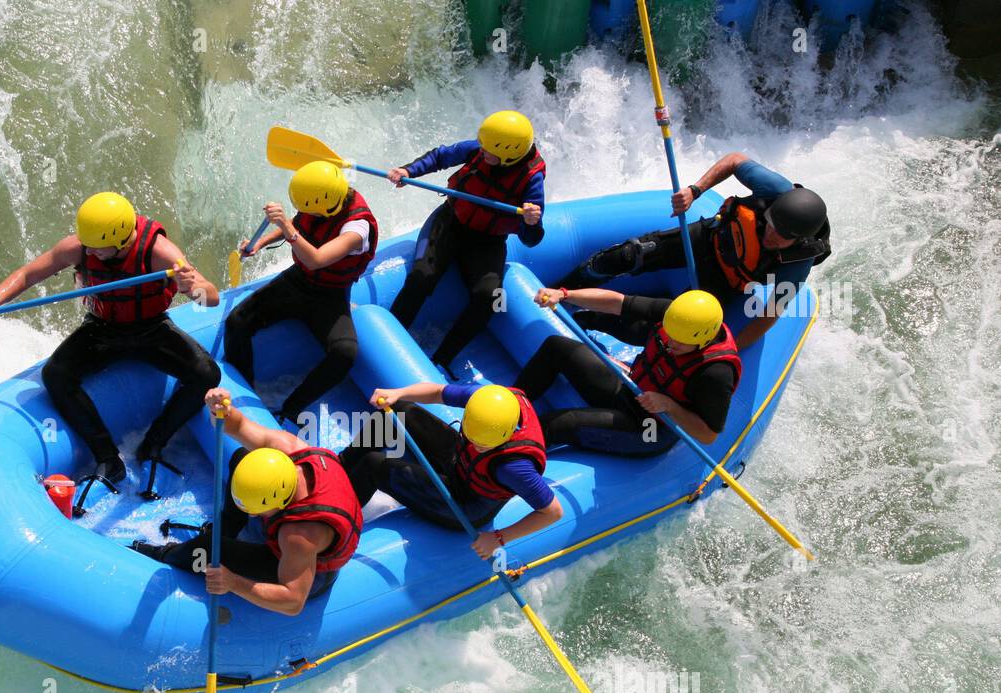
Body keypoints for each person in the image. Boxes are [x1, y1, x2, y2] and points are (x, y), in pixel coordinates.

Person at [0, 192, 220, 484]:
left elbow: (209, 297)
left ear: (122, 238)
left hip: (151, 329)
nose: (91, 252)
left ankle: (154, 443)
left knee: (207, 374)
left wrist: (192, 288)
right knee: (56, 375)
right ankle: (107, 457)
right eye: (89, 246)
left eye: (100, 248)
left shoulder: (161, 253)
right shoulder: (80, 246)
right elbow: (27, 275)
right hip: (102, 329)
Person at [130, 387, 363, 616]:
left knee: (206, 548)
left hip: (310, 574)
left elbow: (293, 602)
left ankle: (163, 554)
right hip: (312, 519)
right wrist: (223, 410)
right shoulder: (287, 448)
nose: (254, 516)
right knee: (242, 457)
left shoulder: (297, 537)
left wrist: (234, 583)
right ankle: (228, 528)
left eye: (259, 511)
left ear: (282, 502)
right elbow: (239, 426)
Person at [560, 152, 830, 349]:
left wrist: (731, 348)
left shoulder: (797, 263)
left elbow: (770, 313)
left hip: (723, 283)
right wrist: (695, 190)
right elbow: (735, 160)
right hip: (708, 237)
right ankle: (562, 293)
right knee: (631, 253)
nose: (771, 235)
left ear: (797, 240)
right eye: (770, 225)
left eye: (781, 237)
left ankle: (590, 319)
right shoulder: (774, 189)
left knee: (673, 331)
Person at [386, 110, 546, 377]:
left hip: (487, 241)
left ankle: (441, 359)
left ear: (508, 155)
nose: (482, 151)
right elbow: (441, 156)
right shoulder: (480, 149)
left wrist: (531, 221)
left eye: (488, 150)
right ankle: (392, 340)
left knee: (491, 299)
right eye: (482, 145)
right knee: (420, 278)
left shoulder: (532, 181)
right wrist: (408, 170)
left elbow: (532, 240)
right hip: (450, 221)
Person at [224, 161, 378, 425]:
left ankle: (292, 407)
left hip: (330, 295)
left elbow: (317, 259)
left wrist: (285, 225)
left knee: (344, 354)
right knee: (237, 321)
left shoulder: (358, 228)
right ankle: (247, 392)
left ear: (327, 205)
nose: (303, 213)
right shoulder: (321, 201)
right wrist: (258, 243)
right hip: (298, 282)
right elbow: (299, 223)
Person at [338, 384, 562, 559]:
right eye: (471, 437)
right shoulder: (485, 400)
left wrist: (499, 538)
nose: (474, 445)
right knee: (397, 411)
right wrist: (398, 393)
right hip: (461, 463)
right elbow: (437, 391)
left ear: (504, 436)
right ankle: (341, 466)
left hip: (466, 504)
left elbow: (553, 512)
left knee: (373, 465)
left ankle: (334, 524)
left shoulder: (514, 467)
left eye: (481, 445)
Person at [516, 287, 741, 457]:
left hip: (649, 427)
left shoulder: (716, 374)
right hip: (630, 389)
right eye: (669, 334)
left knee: (554, 424)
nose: (670, 342)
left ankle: (505, 457)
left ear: (703, 341)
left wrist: (669, 406)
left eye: (680, 343)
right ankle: (511, 406)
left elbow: (708, 435)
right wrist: (564, 294)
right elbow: (618, 303)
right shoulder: (677, 316)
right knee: (557, 346)